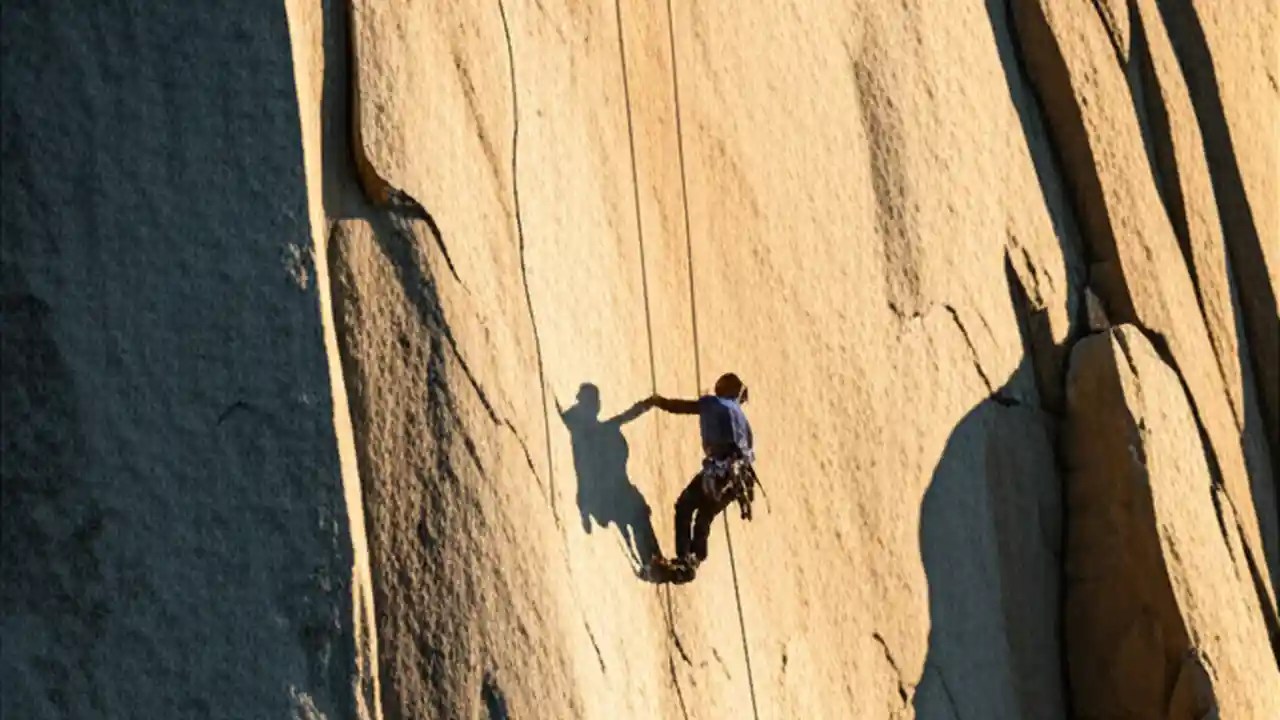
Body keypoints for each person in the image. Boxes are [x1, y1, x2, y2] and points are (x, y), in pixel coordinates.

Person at [644, 372, 757, 582]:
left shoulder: (714, 403)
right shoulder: (744, 421)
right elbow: (749, 456)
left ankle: (684, 562)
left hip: (719, 471)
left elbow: (682, 407)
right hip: (737, 480)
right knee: (705, 515)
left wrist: (658, 402)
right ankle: (694, 559)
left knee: (685, 506)